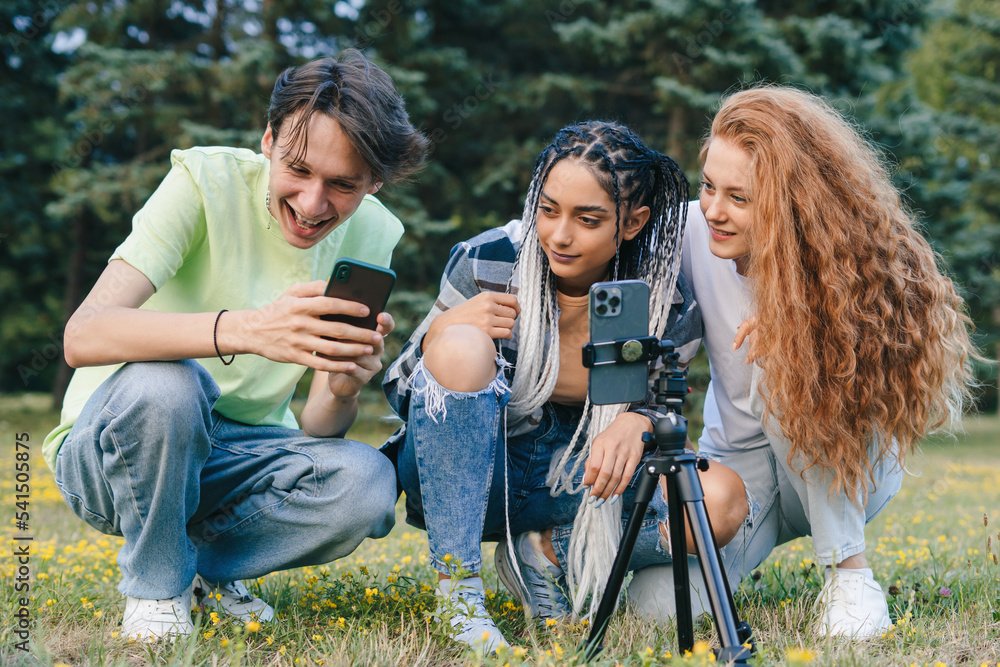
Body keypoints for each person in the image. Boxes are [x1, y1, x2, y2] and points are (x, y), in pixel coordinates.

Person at [42, 50, 429, 642]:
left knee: (368, 483)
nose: (313, 204)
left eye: (343, 185)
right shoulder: (202, 181)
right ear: (269, 140)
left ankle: (197, 567)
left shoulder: (373, 231)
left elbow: (320, 429)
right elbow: (83, 334)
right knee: (167, 383)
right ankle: (156, 587)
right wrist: (246, 329)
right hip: (117, 444)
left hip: (239, 451)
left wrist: (345, 384)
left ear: (373, 182)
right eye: (297, 169)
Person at [381, 120, 750, 653]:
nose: (559, 234)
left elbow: (666, 407)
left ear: (633, 222)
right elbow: (405, 399)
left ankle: (548, 551)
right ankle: (458, 592)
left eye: (588, 218)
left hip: (581, 483)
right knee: (461, 345)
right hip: (480, 477)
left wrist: (640, 420)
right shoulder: (487, 261)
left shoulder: (665, 300)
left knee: (721, 500)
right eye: (548, 209)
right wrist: (441, 333)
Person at [631, 85, 977, 638]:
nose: (715, 211)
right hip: (743, 473)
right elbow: (581, 239)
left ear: (791, 200)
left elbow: (881, 379)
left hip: (842, 467)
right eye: (709, 187)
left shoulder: (848, 253)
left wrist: (801, 332)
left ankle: (848, 573)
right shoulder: (689, 230)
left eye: (739, 198)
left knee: (784, 360)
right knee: (658, 607)